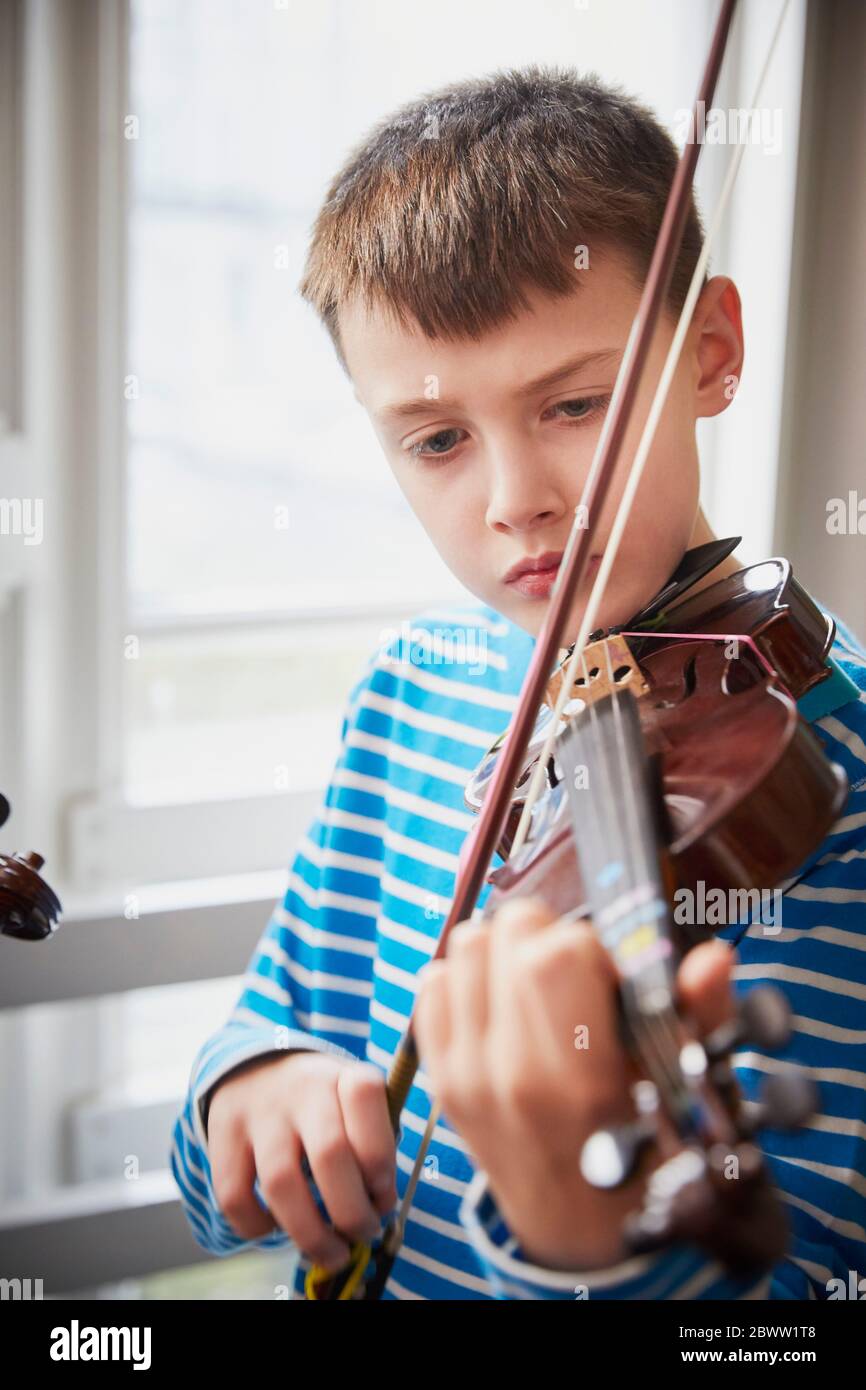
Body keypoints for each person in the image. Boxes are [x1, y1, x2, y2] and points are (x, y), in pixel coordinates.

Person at [170, 67, 866, 1299]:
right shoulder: (409, 695)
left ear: (706, 352)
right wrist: (251, 1085)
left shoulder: (826, 766)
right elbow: (272, 1031)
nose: (512, 502)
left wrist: (587, 1241)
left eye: (576, 404)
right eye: (437, 440)